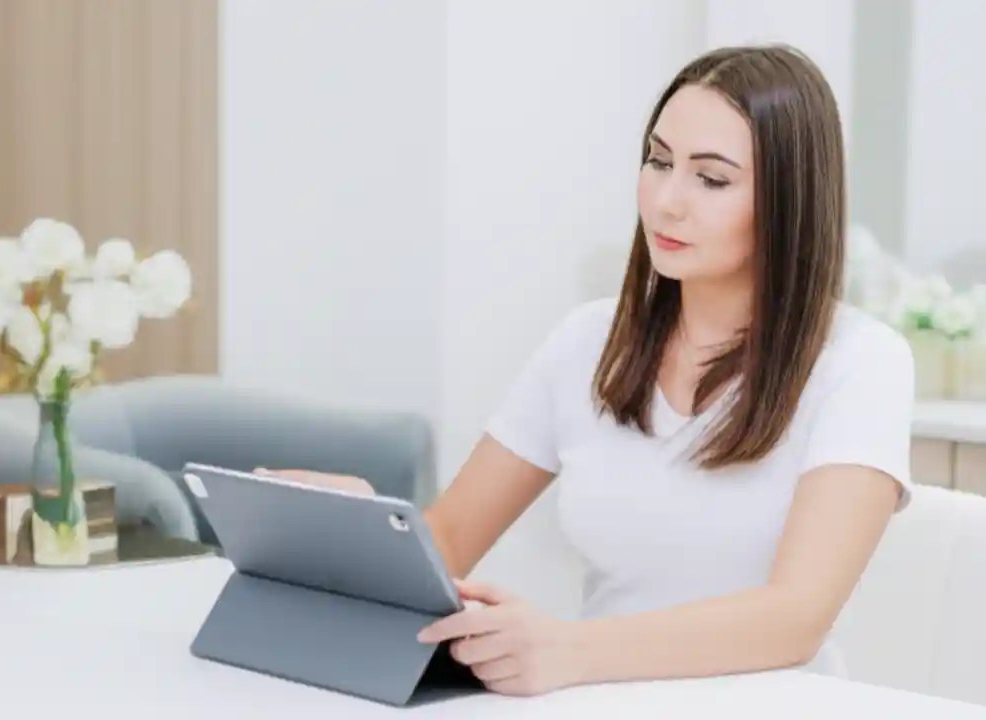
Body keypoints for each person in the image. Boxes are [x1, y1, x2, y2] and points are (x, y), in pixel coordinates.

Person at [261, 44, 914, 697]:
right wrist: (366, 532)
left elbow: (793, 620)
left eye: (710, 179)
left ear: (789, 201)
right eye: (658, 162)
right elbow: (452, 537)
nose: (666, 201)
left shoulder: (860, 362)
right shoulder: (588, 342)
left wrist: (568, 648)